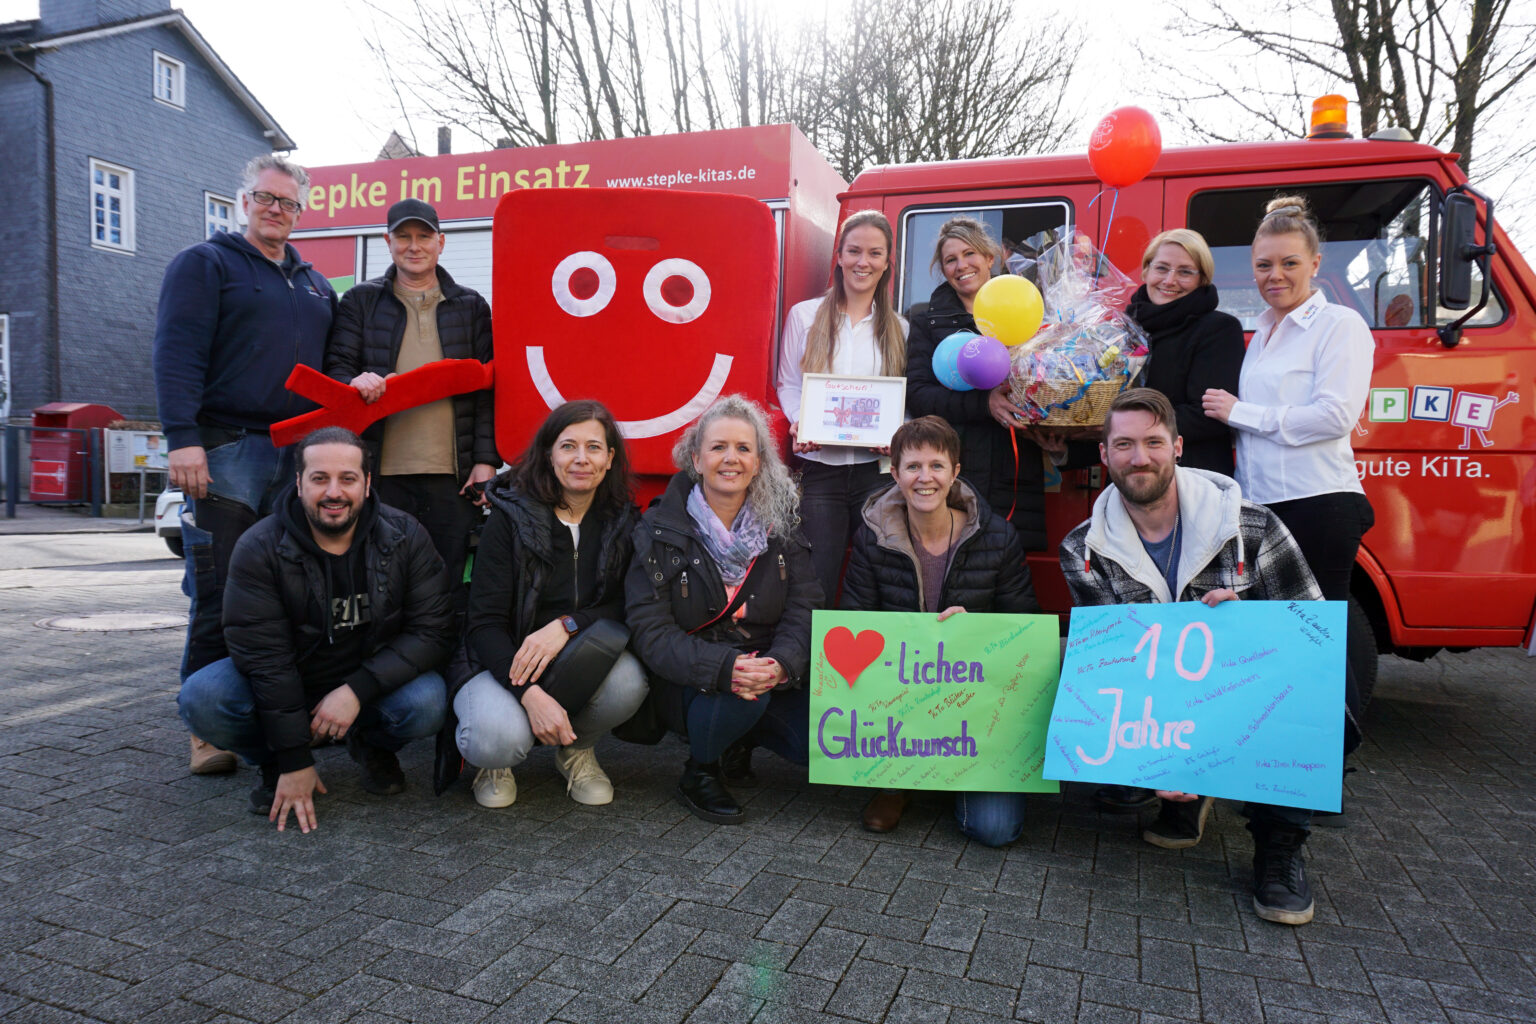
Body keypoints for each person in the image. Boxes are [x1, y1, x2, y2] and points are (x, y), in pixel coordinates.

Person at [1059, 388, 1326, 925]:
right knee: (1082, 693)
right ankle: (1180, 796)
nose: (1140, 457)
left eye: (1154, 442)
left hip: (1251, 694)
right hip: (1167, 708)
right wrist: (1156, 757)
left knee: (1311, 707)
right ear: (1105, 455)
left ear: (1178, 447)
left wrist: (1251, 623)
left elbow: (1312, 641)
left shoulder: (1254, 526)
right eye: (1125, 444)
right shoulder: (1080, 549)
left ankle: (1280, 845)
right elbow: (1118, 669)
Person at [154, 154, 337, 776]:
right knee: (219, 588)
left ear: (300, 212)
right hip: (227, 448)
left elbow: (330, 371)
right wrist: (183, 437)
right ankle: (205, 729)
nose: (276, 210)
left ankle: (270, 711)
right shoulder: (205, 265)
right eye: (266, 198)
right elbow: (176, 351)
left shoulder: (315, 284)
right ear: (243, 202)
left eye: (288, 203)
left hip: (296, 453)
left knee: (287, 591)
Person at [177, 428, 453, 833]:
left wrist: (357, 690)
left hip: (367, 678)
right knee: (203, 699)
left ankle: (371, 745)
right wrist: (293, 759)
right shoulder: (260, 547)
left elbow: (433, 630)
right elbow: (265, 660)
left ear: (368, 482)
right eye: (320, 478)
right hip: (289, 676)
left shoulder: (405, 536)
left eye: (347, 478)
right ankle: (271, 763)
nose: (334, 492)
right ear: (299, 482)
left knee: (429, 701)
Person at [1201, 195, 1374, 795]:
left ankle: (1328, 773)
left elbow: (1333, 416)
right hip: (1264, 506)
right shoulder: (1265, 332)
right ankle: (1290, 763)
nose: (1274, 276)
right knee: (1284, 640)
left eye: (1288, 264)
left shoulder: (1339, 326)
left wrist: (1240, 412)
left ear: (1316, 264)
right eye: (1264, 266)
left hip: (1318, 502)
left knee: (1318, 642)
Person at [840, 416, 1038, 843]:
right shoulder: (872, 536)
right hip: (899, 700)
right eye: (912, 467)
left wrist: (978, 632)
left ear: (955, 473)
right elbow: (855, 619)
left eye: (936, 466)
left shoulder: (997, 537)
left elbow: (1025, 628)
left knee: (995, 829)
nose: (924, 477)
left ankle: (955, 774)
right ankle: (900, 779)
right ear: (894, 473)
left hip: (978, 705)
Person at [626, 395, 822, 824]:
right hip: (690, 679)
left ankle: (739, 743)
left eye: (743, 448)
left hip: (767, 673)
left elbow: (804, 607)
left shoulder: (783, 524)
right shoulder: (658, 529)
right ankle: (700, 770)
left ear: (759, 462)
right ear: (695, 459)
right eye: (718, 447)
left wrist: (782, 664)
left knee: (818, 746)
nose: (730, 458)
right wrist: (725, 668)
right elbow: (650, 632)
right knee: (741, 697)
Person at [451, 401, 647, 809]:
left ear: (610, 459)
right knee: (495, 740)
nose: (581, 459)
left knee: (630, 680)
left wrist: (567, 625)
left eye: (594, 447)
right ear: (548, 454)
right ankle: (495, 763)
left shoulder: (621, 520)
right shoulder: (509, 516)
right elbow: (483, 623)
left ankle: (576, 750)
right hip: (499, 659)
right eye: (568, 446)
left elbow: (626, 604)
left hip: (573, 655)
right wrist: (528, 694)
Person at [324, 198, 496, 609]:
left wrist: (486, 461)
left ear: (441, 243)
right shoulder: (360, 302)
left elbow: (490, 388)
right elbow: (335, 368)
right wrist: (352, 381)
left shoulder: (471, 307)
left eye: (423, 237)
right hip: (381, 475)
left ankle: (445, 671)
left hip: (452, 480)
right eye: (403, 236)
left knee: (447, 583)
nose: (413, 246)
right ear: (388, 241)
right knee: (380, 582)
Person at [905, 216, 1083, 554]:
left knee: (1012, 569)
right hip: (954, 469)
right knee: (954, 567)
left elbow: (1055, 379)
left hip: (1016, 468)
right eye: (950, 260)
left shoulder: (1030, 308)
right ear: (943, 270)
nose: (961, 266)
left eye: (970, 254)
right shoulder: (926, 320)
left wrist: (1057, 437)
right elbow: (918, 394)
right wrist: (983, 404)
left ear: (990, 258)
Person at [776, 209, 908, 604]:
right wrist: (801, 421)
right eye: (854, 251)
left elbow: (904, 399)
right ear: (839, 255)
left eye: (874, 253)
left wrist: (896, 435)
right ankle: (809, 663)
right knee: (816, 580)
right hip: (821, 475)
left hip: (879, 476)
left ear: (887, 263)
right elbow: (788, 383)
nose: (862, 262)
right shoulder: (804, 316)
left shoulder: (901, 329)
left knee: (880, 580)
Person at [1125, 229, 1245, 476]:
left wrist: (1123, 425)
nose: (1170, 280)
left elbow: (1208, 416)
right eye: (1162, 268)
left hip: (1192, 479)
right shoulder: (1124, 329)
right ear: (1146, 271)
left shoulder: (1219, 329)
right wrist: (1064, 443)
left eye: (1185, 272)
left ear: (1202, 279)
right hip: (1128, 479)